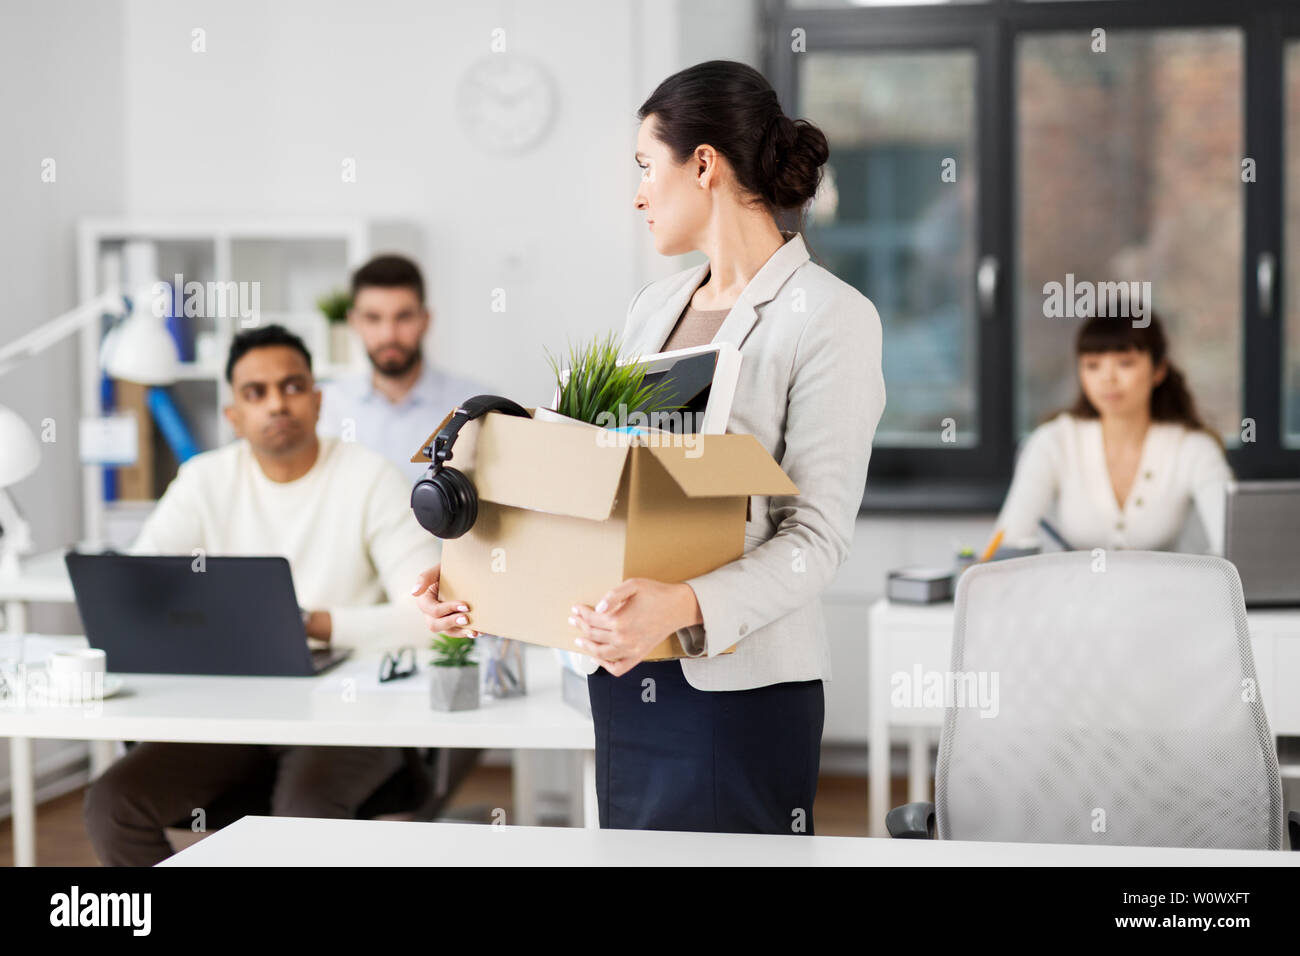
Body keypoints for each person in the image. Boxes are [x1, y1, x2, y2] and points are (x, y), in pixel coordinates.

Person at [413, 60, 886, 834]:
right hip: (629, 675)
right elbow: (600, 492)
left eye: (645, 165)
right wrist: (485, 572)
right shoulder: (654, 307)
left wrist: (685, 603)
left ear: (703, 164)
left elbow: (817, 540)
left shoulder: (830, 317)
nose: (636, 193)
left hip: (740, 688)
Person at [83, 325, 440, 866]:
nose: (277, 403)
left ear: (318, 400)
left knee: (299, 820)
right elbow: (139, 586)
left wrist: (312, 623)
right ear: (233, 414)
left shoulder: (371, 480)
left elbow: (428, 618)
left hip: (346, 716)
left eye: (292, 386)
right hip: (230, 713)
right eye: (256, 392)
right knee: (112, 804)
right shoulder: (204, 480)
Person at [996, 312, 1232, 554]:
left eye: (1125, 363)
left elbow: (1234, 545)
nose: (1108, 378)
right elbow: (1010, 540)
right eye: (1093, 365)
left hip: (1164, 591)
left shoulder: (1193, 448)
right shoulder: (1053, 441)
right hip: (1073, 590)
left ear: (1158, 370)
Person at [318, 254, 488, 483]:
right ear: (354, 322)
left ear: (425, 320)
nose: (389, 335)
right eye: (373, 318)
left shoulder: (475, 408)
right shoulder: (327, 407)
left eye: (403, 317)